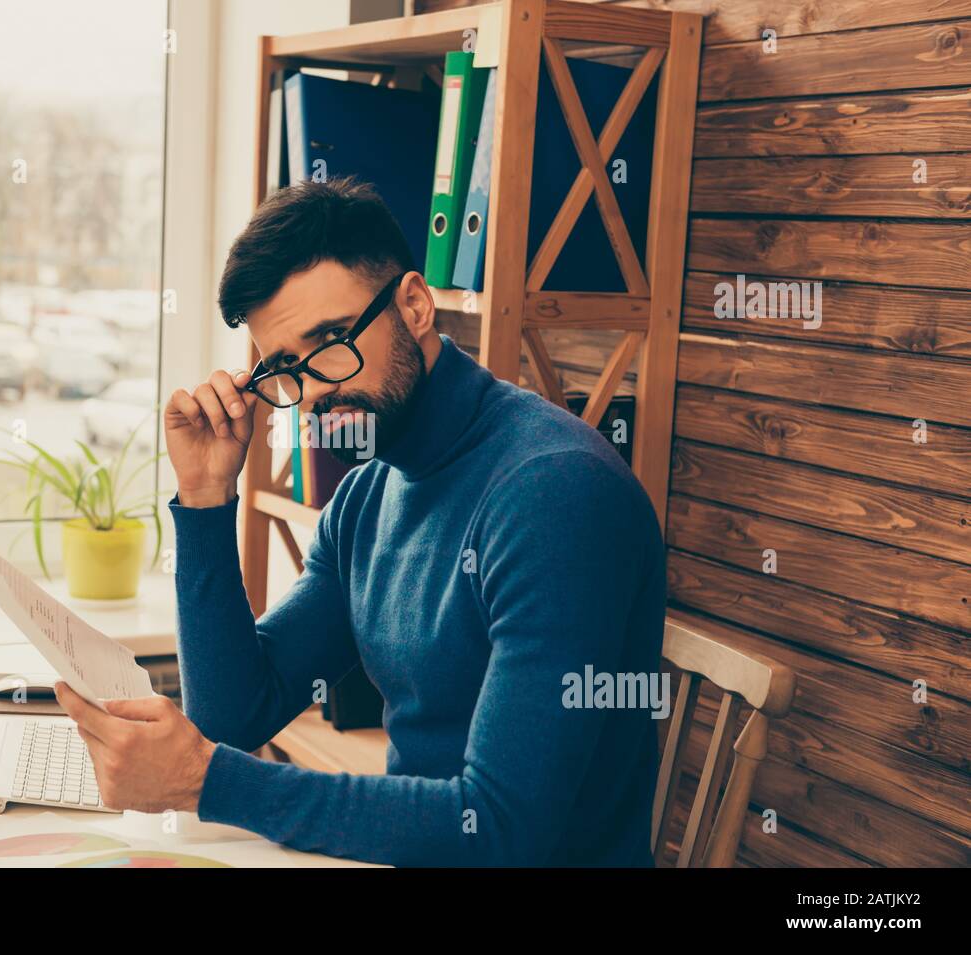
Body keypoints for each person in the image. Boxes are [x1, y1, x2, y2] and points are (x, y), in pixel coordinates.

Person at [55, 176, 666, 866]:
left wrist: (206, 779)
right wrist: (203, 496)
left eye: (332, 339)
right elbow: (233, 716)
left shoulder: (555, 492)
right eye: (286, 368)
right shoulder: (370, 493)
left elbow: (498, 828)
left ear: (413, 304)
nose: (315, 390)